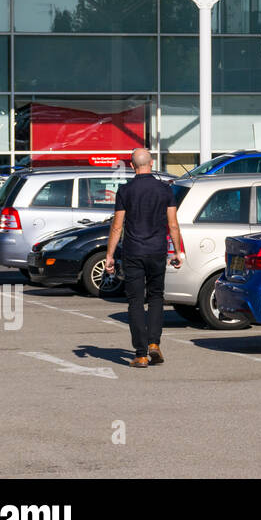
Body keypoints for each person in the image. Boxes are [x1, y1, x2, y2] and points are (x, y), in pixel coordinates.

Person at [105, 148, 185, 368]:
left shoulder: (125, 190)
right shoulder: (165, 190)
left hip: (133, 252)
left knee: (135, 301)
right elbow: (173, 225)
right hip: (157, 251)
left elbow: (117, 226)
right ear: (151, 163)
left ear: (132, 166)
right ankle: (154, 344)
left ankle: (140, 354)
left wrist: (110, 255)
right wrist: (177, 251)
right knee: (157, 296)